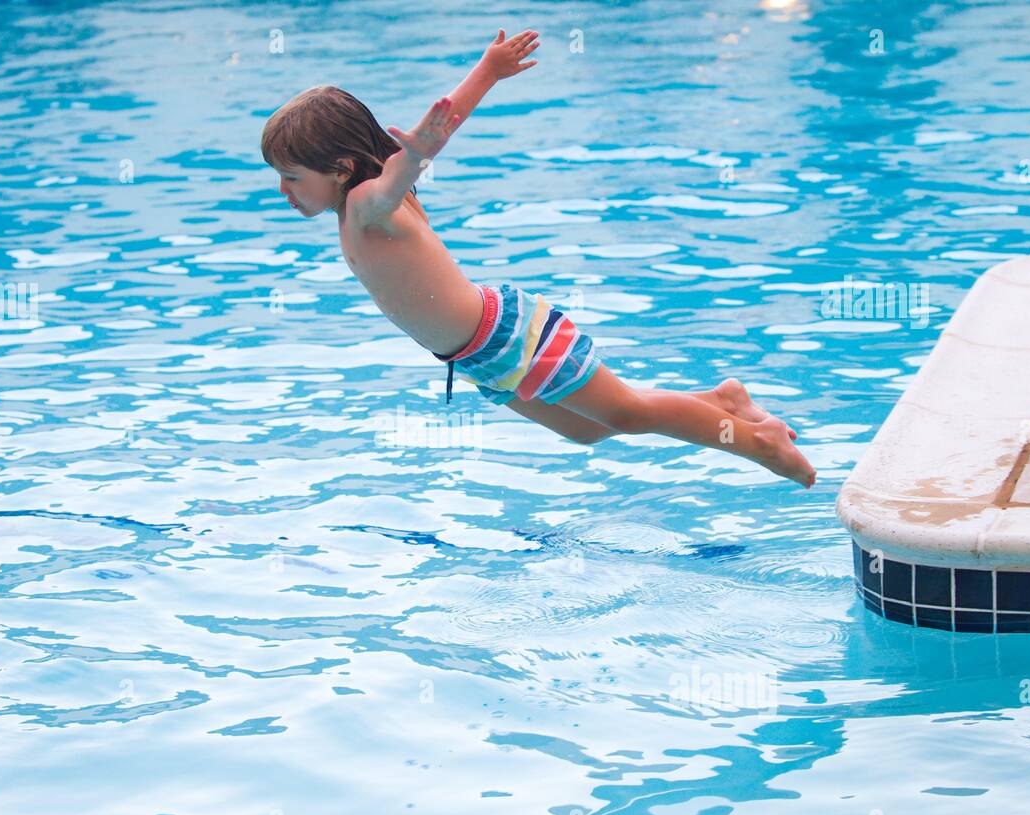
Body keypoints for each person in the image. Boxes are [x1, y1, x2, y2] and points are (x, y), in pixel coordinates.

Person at [260, 29, 815, 487]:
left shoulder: (367, 204)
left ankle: (755, 441)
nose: (284, 191)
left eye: (290, 177)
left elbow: (402, 168)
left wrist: (428, 140)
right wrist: (487, 72)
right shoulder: (358, 208)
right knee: (588, 430)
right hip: (474, 355)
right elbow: (415, 154)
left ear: (339, 168)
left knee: (624, 413)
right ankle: (721, 400)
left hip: (505, 335)